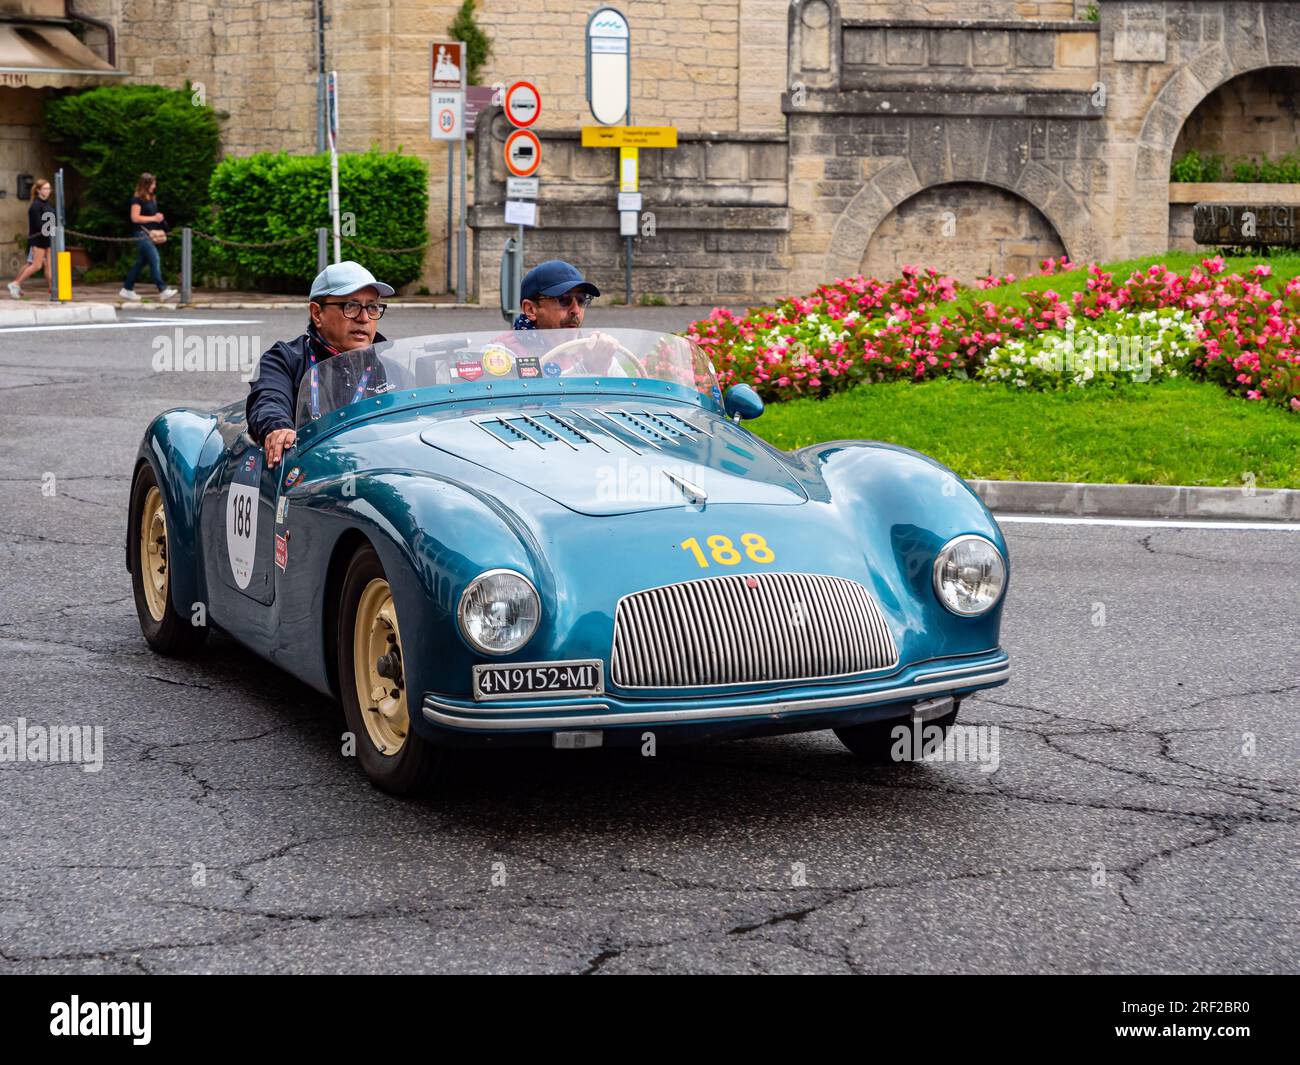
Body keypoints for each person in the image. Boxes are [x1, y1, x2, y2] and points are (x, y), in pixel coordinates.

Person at [246, 260, 394, 468]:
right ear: (317, 313)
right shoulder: (284, 359)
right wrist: (279, 428)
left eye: (372, 307)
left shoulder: (390, 366)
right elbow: (269, 399)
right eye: (350, 306)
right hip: (313, 473)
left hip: (375, 469)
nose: (364, 318)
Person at [119, 172, 178, 302]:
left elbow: (152, 217)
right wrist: (153, 218)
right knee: (155, 259)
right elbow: (135, 218)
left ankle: (127, 289)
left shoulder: (151, 198)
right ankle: (162, 289)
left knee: (141, 262)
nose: (154, 186)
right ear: (146, 184)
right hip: (141, 234)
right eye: (153, 183)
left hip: (150, 234)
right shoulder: (137, 199)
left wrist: (159, 219)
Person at [513, 259, 599, 330]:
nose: (576, 311)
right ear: (530, 309)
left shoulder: (584, 348)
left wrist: (599, 351)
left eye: (581, 300)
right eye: (563, 300)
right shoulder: (507, 350)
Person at [7, 177, 55, 300]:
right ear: (38, 190)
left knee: (50, 267)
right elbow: (37, 225)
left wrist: (53, 234)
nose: (48, 191)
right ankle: (16, 283)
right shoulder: (35, 206)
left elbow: (51, 221)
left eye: (49, 188)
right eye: (45, 188)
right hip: (39, 240)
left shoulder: (47, 203)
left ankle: (53, 291)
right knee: (36, 265)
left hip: (49, 240)